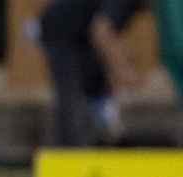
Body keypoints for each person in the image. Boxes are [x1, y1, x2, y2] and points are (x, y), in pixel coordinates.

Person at [40, 0, 150, 146]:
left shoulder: (134, 8)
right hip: (62, 31)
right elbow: (100, 32)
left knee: (96, 92)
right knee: (71, 97)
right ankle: (68, 155)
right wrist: (122, 69)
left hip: (85, 39)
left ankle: (98, 145)